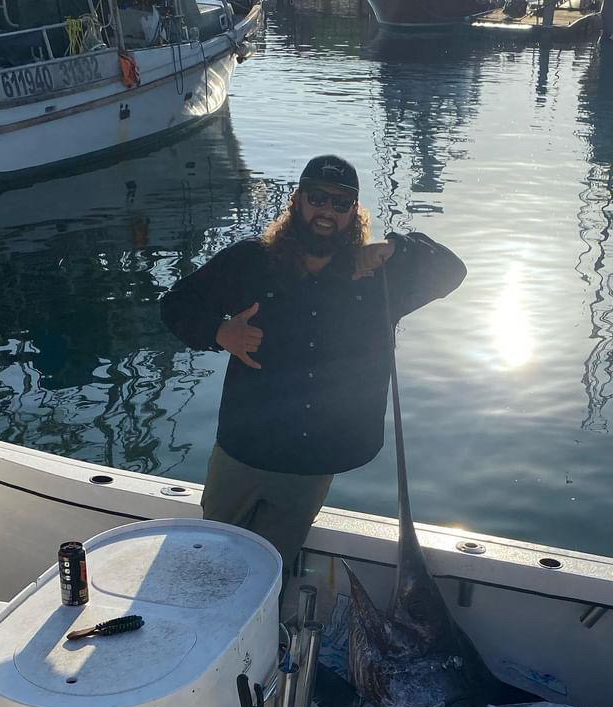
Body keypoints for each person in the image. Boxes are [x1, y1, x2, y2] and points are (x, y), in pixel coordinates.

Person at [160, 154, 466, 576]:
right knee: (208, 562)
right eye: (317, 198)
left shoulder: (378, 278)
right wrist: (220, 332)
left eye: (341, 203)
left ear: (354, 213)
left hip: (310, 463)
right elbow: (176, 305)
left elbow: (451, 270)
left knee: (270, 574)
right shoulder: (251, 262)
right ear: (298, 201)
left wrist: (396, 246)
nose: (327, 211)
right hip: (243, 452)